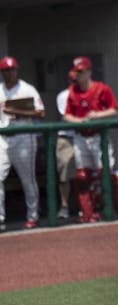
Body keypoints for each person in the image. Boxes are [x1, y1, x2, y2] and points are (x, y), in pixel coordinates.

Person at [63, 56, 118, 223]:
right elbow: (66, 116)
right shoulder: (72, 91)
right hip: (81, 136)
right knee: (82, 176)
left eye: (81, 72)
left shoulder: (101, 89)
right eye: (76, 72)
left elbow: (114, 110)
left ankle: (114, 208)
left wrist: (97, 115)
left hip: (98, 137)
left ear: (89, 72)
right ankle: (87, 213)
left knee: (105, 174)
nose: (78, 75)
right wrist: (79, 121)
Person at [0, 56, 45, 231]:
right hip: (3, 138)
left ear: (16, 70)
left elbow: (41, 113)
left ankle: (33, 216)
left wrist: (15, 110)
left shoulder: (27, 89)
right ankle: (1, 218)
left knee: (28, 179)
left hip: (24, 137)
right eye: (5, 70)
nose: (8, 73)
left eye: (11, 69)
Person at [55, 70, 77, 220]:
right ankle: (64, 206)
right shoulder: (64, 95)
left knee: (87, 173)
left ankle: (87, 206)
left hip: (85, 137)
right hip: (67, 138)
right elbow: (67, 116)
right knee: (64, 174)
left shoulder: (92, 92)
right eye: (74, 80)